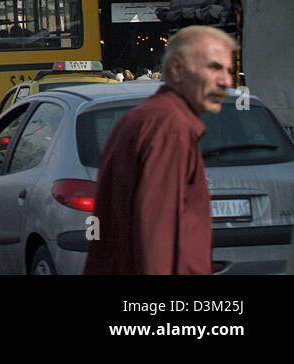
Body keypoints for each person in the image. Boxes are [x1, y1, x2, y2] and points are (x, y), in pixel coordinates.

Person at [84, 26, 235, 275]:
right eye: (215, 68)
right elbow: (157, 230)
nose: (226, 81)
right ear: (176, 69)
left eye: (229, 70)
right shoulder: (170, 127)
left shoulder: (150, 118)